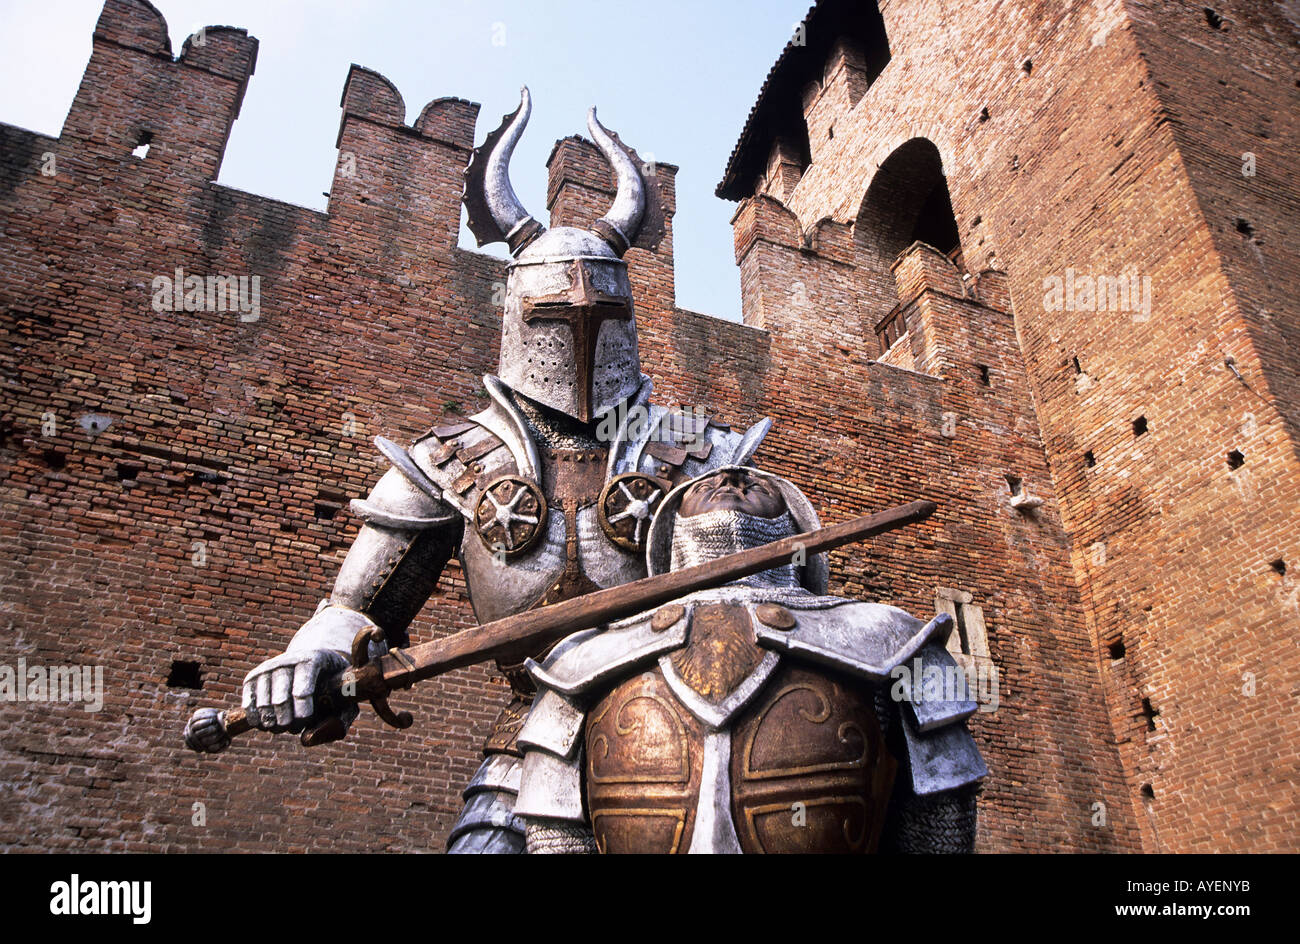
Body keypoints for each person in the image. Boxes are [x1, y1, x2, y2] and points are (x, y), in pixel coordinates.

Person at [183, 90, 774, 854]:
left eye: (601, 306)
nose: (581, 318)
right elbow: (358, 607)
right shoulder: (449, 461)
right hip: (528, 743)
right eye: (556, 309)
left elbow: (772, 615)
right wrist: (315, 655)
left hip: (693, 743)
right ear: (519, 311)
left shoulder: (704, 457)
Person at [513, 466, 987, 853]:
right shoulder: (584, 659)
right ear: (672, 529)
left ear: (795, 529)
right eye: (706, 483)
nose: (731, 482)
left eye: (753, 483)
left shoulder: (892, 639)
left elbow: (939, 815)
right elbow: (557, 828)